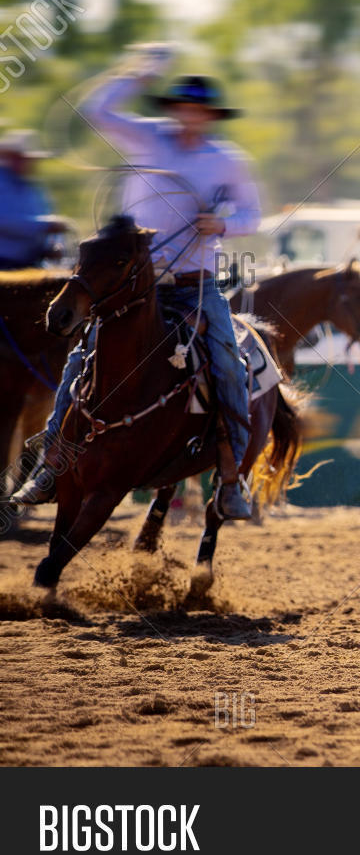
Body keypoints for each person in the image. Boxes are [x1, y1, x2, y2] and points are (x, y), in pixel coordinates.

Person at [12, 48, 262, 518]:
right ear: (174, 110)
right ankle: (50, 464)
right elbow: (95, 111)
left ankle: (231, 478)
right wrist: (138, 72)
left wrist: (222, 224)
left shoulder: (228, 161)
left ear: (210, 116)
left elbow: (254, 214)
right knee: (80, 361)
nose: (191, 117)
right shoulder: (148, 138)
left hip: (195, 283)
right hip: (134, 285)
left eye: (200, 111)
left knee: (229, 365)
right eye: (184, 108)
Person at [0, 129, 67, 269]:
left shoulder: (33, 187)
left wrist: (52, 246)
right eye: (20, 158)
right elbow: (4, 220)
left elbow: (46, 216)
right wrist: (45, 226)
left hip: (30, 261)